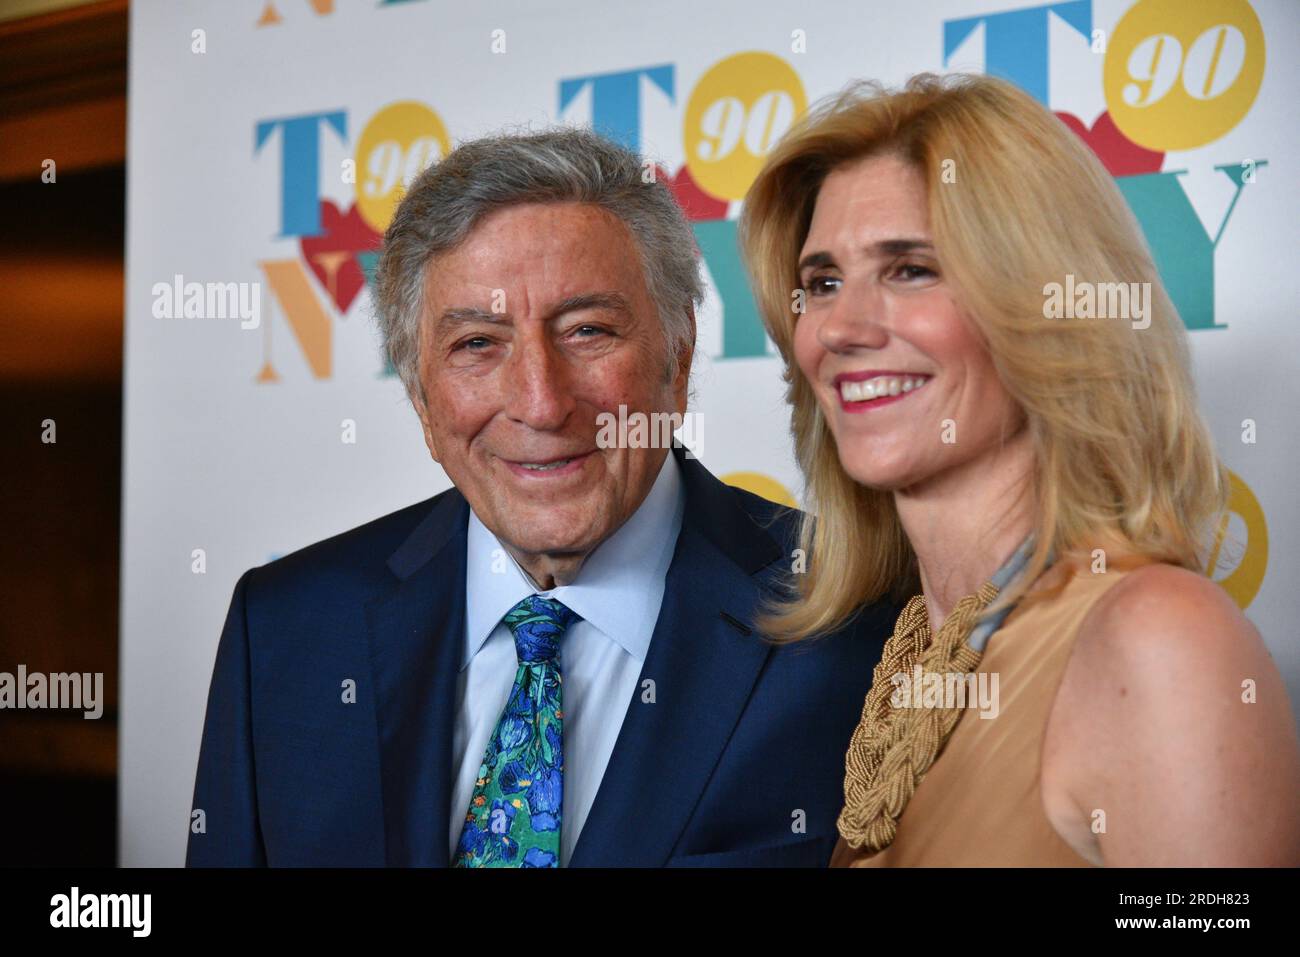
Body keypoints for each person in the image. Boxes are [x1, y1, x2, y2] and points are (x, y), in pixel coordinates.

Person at [186, 127, 896, 867]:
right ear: (422, 399)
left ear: (678, 360)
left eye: (588, 330)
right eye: (477, 344)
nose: (542, 403)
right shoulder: (283, 631)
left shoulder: (856, 615)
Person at [738, 72, 1300, 867]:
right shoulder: (897, 652)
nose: (841, 327)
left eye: (911, 269)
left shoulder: (1157, 640)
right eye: (822, 282)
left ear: (1047, 306)